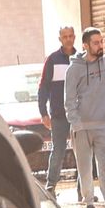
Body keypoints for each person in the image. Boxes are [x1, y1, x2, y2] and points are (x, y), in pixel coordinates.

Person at [64, 27, 105, 208]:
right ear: (85, 45)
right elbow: (69, 99)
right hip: (81, 128)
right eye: (96, 43)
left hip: (102, 125)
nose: (100, 46)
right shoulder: (74, 69)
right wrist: (76, 123)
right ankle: (89, 206)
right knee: (85, 168)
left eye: (101, 42)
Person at [36, 25, 76, 193]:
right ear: (60, 39)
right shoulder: (52, 59)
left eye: (70, 36)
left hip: (77, 115)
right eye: (64, 36)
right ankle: (51, 187)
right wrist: (43, 113)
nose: (68, 39)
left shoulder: (81, 58)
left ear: (74, 37)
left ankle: (84, 192)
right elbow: (43, 86)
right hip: (59, 115)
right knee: (58, 151)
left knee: (81, 153)